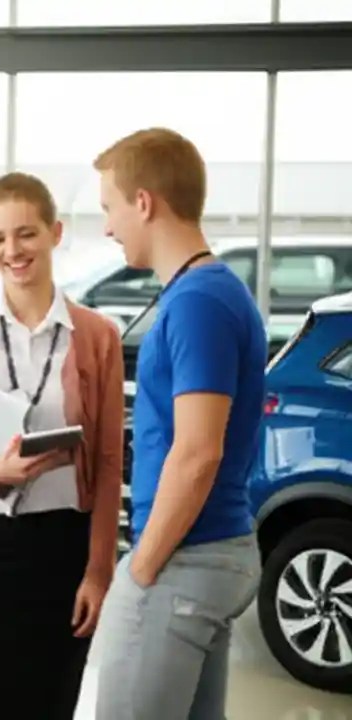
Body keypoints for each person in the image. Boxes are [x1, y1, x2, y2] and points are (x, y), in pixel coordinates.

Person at [0, 171, 125, 720]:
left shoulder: (96, 334)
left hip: (67, 547)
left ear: (56, 233)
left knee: (53, 704)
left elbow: (108, 462)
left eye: (26, 234)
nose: (12, 251)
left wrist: (99, 569)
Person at [90, 128, 268, 719]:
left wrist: (140, 571)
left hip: (184, 560)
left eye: (110, 208)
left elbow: (198, 453)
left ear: (144, 203)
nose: (108, 227)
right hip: (207, 556)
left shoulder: (197, 302)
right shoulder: (211, 294)